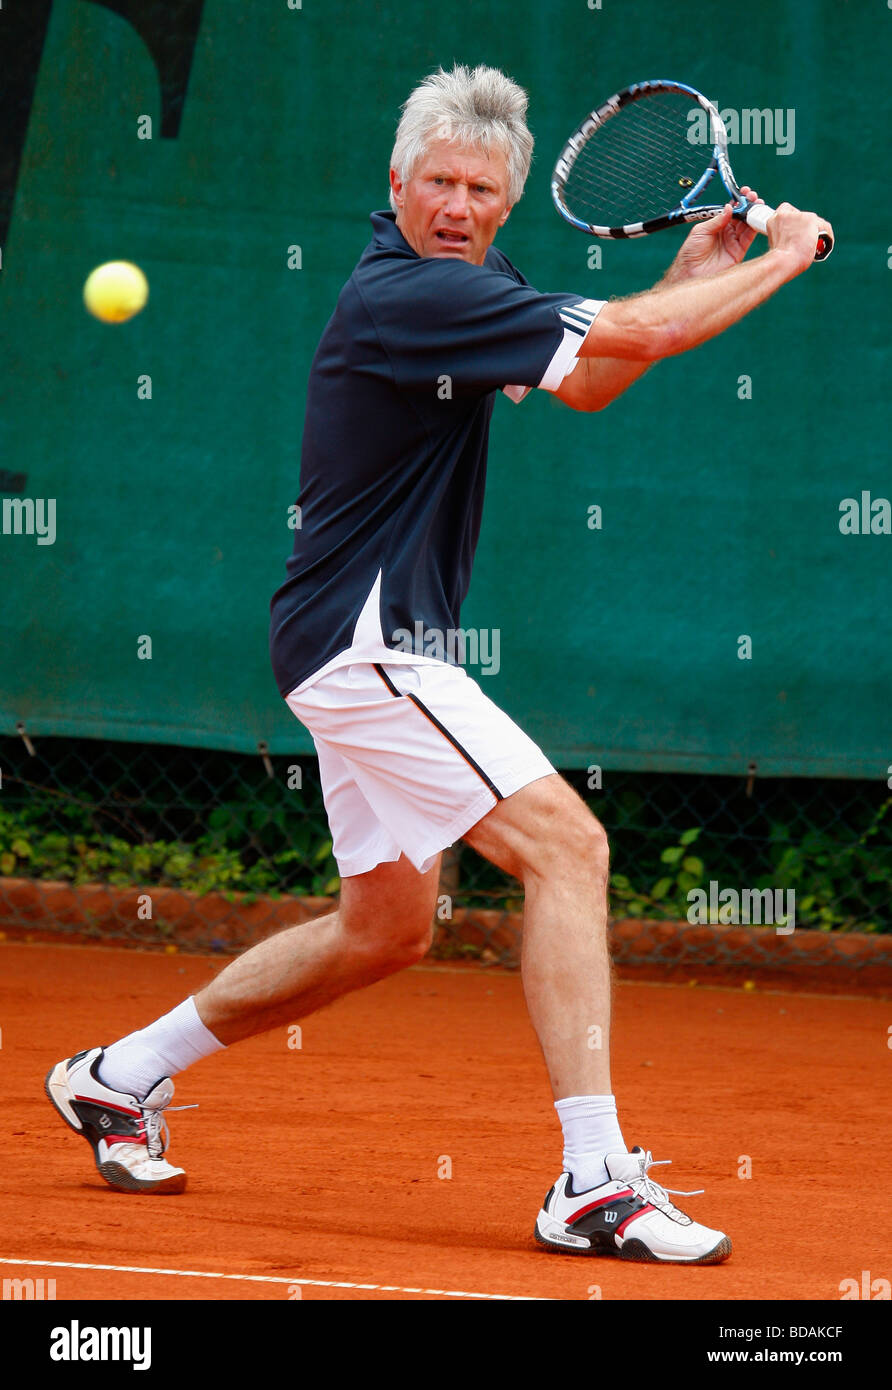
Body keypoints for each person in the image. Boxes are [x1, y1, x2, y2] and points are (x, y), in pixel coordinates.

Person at [47, 65, 830, 1263]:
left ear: (506, 202)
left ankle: (117, 1075)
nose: (455, 204)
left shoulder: (475, 288)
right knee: (571, 847)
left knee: (388, 927)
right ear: (396, 183)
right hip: (371, 646)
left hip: (350, 645)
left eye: (478, 187)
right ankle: (595, 1182)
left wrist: (697, 269)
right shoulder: (406, 295)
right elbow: (635, 337)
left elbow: (596, 376)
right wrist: (784, 257)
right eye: (437, 182)